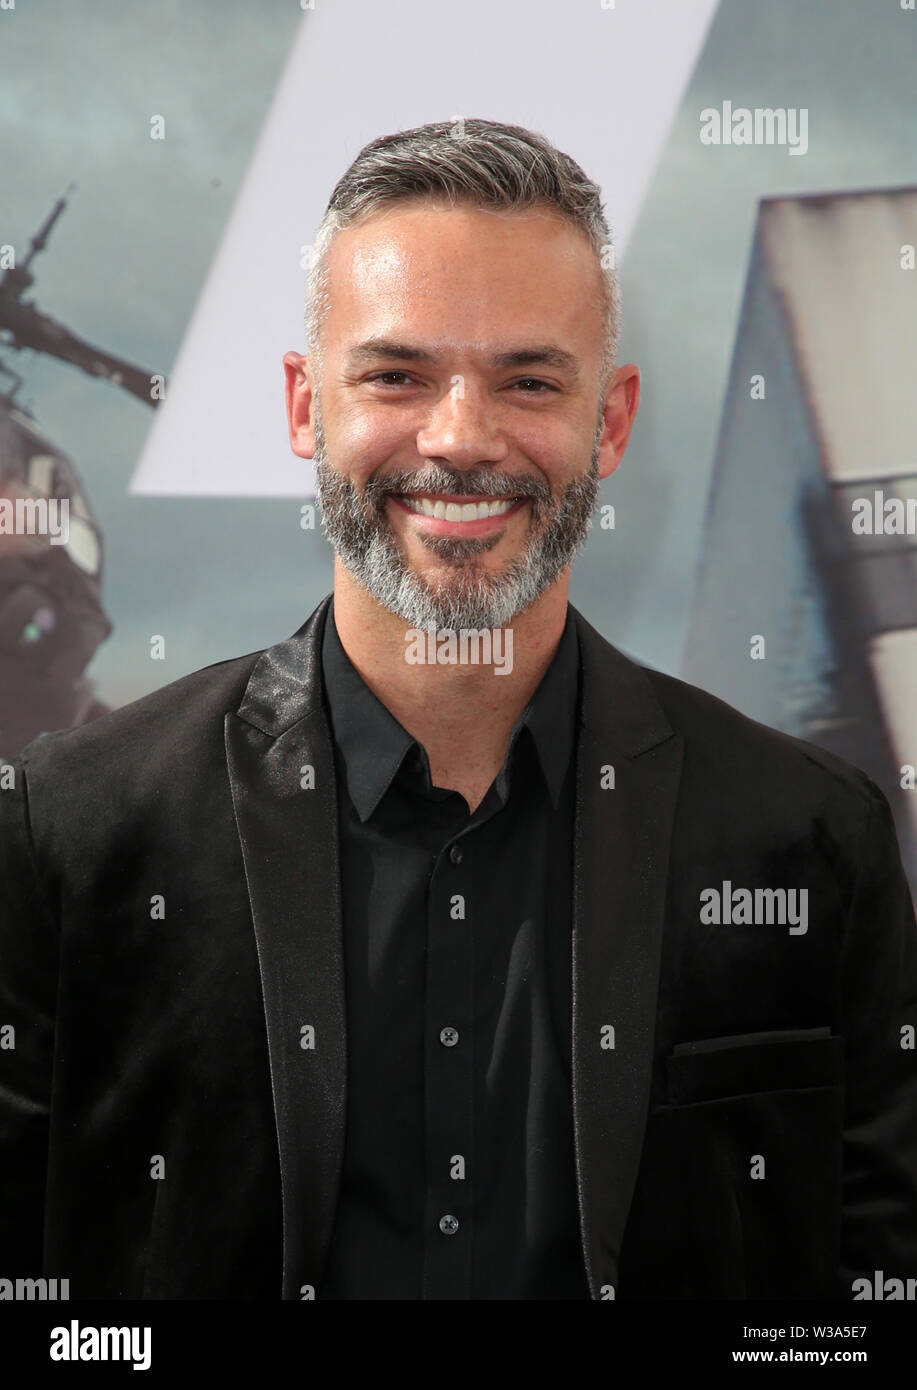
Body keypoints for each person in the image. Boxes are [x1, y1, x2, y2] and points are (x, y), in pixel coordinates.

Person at [1, 118, 915, 1301]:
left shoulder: (807, 829)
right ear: (302, 407)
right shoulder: (70, 832)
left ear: (612, 421)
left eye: (528, 380)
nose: (458, 438)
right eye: (395, 374)